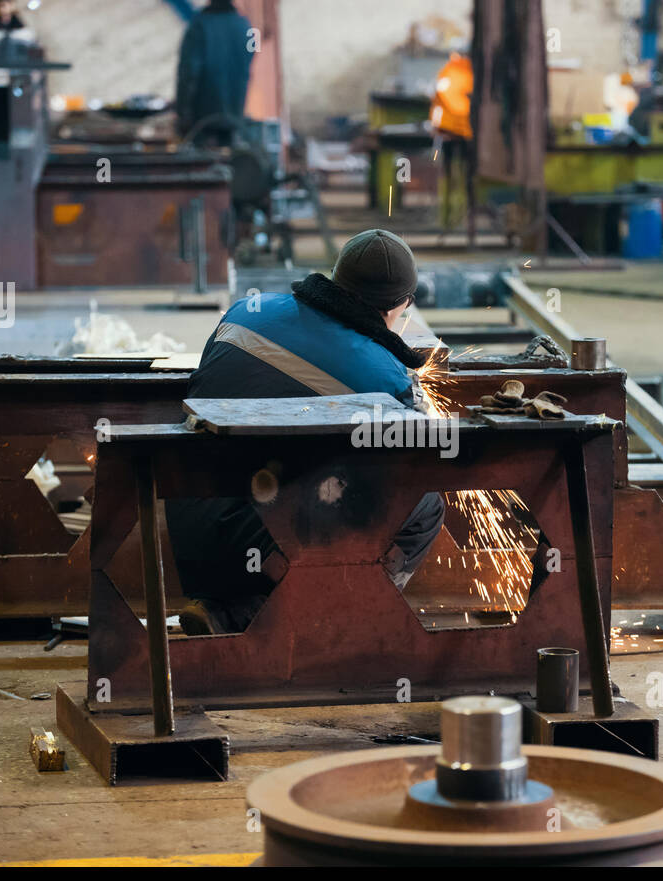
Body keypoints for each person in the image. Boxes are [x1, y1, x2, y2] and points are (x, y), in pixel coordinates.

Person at [164, 229, 446, 634]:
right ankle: (349, 612)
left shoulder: (246, 312)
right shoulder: (385, 376)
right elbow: (423, 456)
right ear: (402, 305)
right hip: (260, 548)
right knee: (423, 500)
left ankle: (234, 612)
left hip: (188, 531)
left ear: (334, 279)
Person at [175, 0, 254, 145]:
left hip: (203, 123)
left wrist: (182, 114)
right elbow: (248, 68)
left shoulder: (199, 26)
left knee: (202, 164)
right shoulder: (245, 27)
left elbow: (188, 74)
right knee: (229, 162)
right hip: (234, 118)